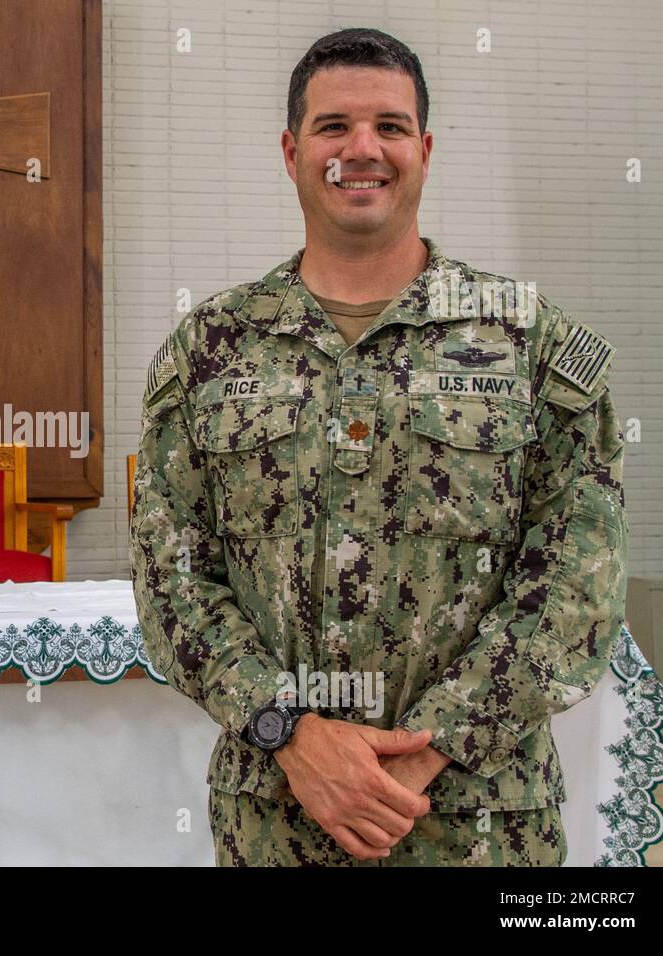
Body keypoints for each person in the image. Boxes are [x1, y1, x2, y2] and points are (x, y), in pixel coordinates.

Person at [130, 27, 628, 866]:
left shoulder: (530, 344)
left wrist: (426, 750)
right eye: (333, 126)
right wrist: (289, 733)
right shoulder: (209, 349)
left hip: (480, 822)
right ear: (291, 152)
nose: (362, 149)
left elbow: (578, 583)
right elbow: (170, 579)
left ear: (423, 151)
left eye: (390, 127)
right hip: (276, 820)